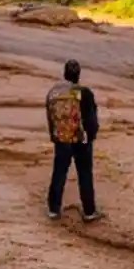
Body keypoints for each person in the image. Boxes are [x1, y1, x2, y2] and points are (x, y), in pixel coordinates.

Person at [45, 59, 103, 222]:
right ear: (78, 75)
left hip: (61, 138)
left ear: (64, 73)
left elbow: (50, 117)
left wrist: (54, 137)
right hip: (80, 138)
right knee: (84, 174)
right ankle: (89, 211)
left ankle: (53, 209)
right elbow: (91, 119)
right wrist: (91, 137)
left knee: (59, 173)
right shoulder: (83, 92)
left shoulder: (53, 93)